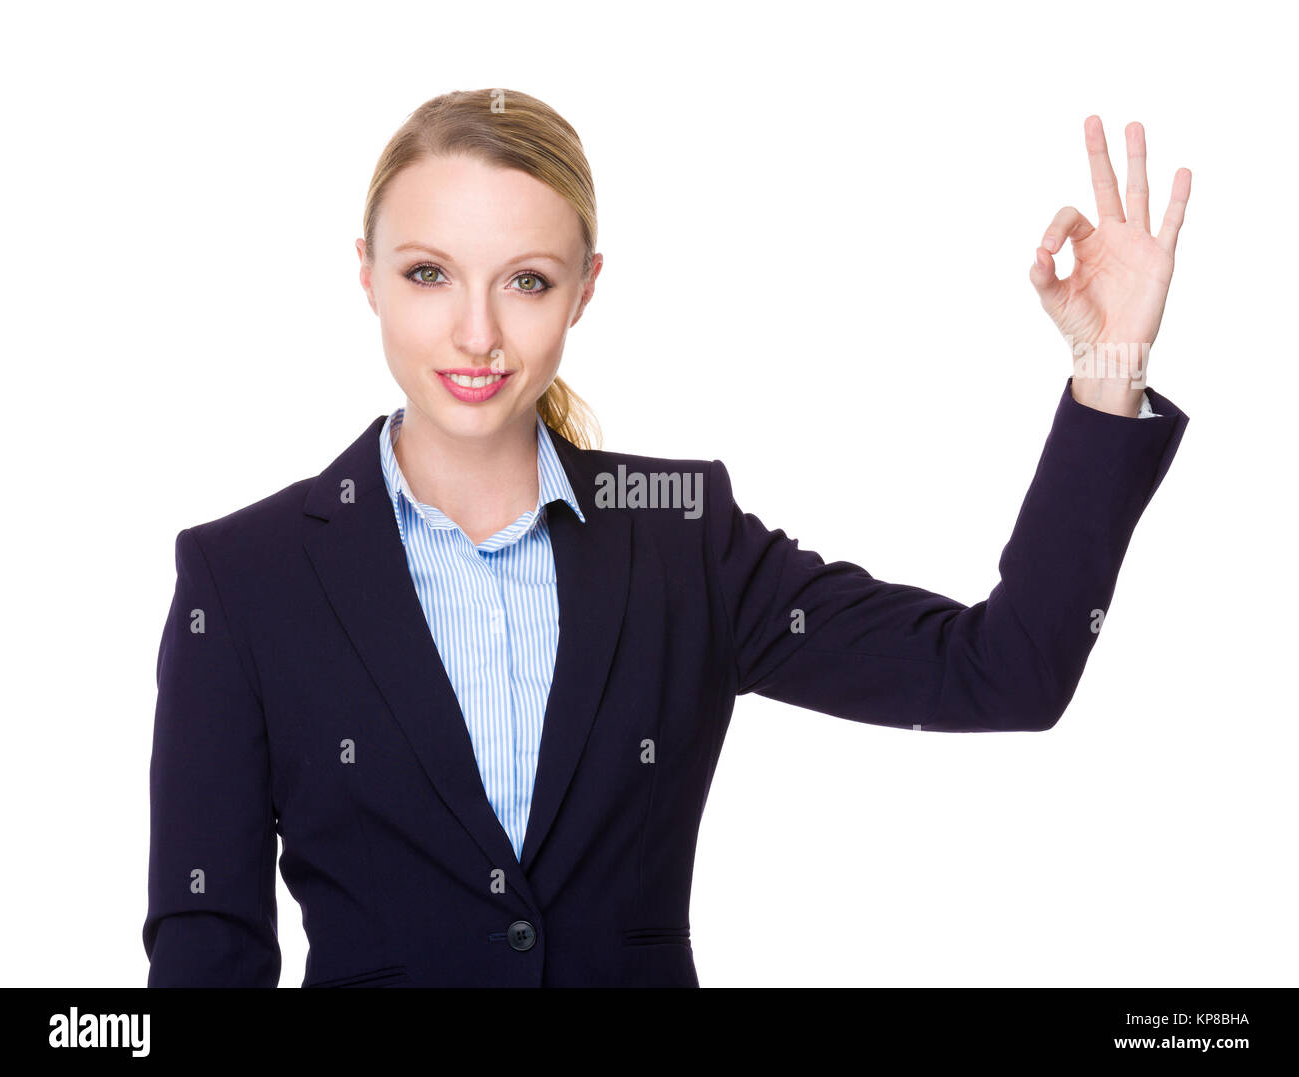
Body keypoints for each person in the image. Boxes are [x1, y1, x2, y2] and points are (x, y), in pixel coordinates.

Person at [143, 89, 1191, 987]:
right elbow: (207, 946)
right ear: (364, 275)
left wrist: (1112, 364)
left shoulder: (681, 539)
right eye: (428, 274)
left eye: (526, 280)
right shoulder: (243, 580)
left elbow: (1000, 673)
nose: (475, 333)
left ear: (584, 289)